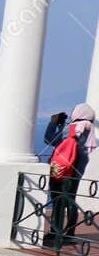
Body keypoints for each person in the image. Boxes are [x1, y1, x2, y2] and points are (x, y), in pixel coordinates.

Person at [44, 103, 95, 247]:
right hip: (76, 168)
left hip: (64, 169)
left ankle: (56, 232)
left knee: (58, 199)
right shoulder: (88, 128)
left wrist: (53, 123)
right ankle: (70, 233)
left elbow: (50, 139)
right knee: (70, 199)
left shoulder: (74, 127)